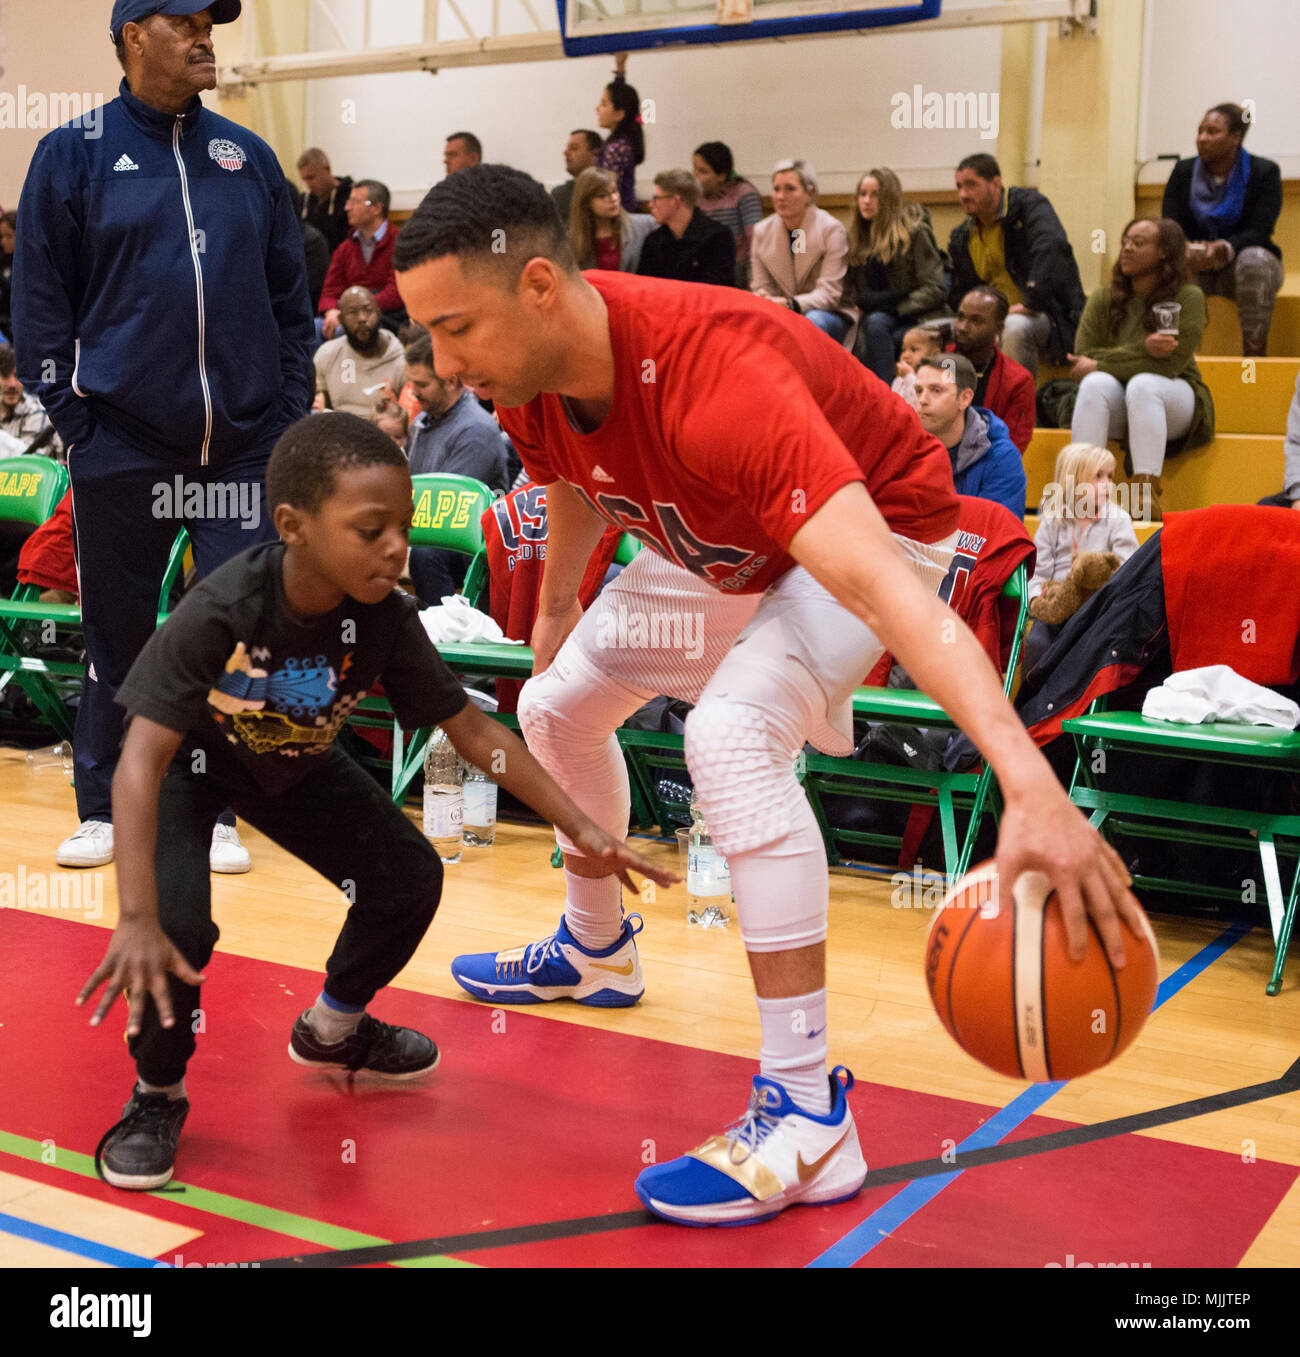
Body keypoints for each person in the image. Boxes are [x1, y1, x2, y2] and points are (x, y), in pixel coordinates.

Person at [392, 164, 1143, 1228]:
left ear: (542, 289)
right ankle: (595, 950)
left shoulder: (717, 378)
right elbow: (569, 473)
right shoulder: (534, 374)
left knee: (733, 739)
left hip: (876, 530)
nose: (444, 364)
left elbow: (884, 589)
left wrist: (1032, 785)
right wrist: (557, 610)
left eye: (456, 329)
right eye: (429, 336)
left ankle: (807, 1113)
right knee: (555, 705)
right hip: (730, 540)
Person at [74, 411, 673, 1192]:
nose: (396, 546)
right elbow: (139, 758)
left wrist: (581, 823)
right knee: (175, 929)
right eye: (370, 529)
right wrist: (135, 914)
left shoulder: (386, 616)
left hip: (293, 762)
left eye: (405, 527)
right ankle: (156, 1095)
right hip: (188, 770)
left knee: (407, 876)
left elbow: (469, 726)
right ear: (294, 526)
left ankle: (332, 1027)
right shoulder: (226, 605)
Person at [13, 0, 314, 875]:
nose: (205, 38)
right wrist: (78, 427)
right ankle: (105, 805)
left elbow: (293, 306)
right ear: (134, 36)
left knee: (231, 629)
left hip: (244, 449)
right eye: (185, 22)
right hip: (123, 446)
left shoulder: (247, 158)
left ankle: (215, 806)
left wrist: (285, 413)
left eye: (211, 24)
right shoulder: (69, 154)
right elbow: (38, 314)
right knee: (116, 632)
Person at [1067, 217, 1213, 522]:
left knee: (1144, 384)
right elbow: (1081, 359)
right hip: (1124, 402)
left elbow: (1170, 364)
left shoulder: (1188, 297)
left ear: (1163, 252)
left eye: (1138, 242)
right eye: (1125, 242)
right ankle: (1083, 493)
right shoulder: (1103, 299)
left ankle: (1144, 496)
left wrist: (1103, 362)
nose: (1127, 249)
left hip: (1176, 400)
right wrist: (1143, 350)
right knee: (1095, 384)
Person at [1161, 103, 1284, 357]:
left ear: (1235, 138)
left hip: (1241, 268)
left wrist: (1222, 248)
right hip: (1195, 267)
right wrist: (1187, 250)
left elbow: (1260, 231)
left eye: (1212, 132)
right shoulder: (1183, 172)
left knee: (1254, 260)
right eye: (1200, 131)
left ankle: (1254, 359)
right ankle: (1175, 360)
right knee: (1161, 261)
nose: (1202, 139)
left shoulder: (1264, 172)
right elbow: (1170, 225)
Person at [948, 153, 1085, 379]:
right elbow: (959, 289)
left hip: (1046, 313)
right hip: (989, 318)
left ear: (996, 183)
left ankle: (1017, 411)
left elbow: (1051, 246)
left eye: (971, 185)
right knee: (928, 333)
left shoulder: (1029, 206)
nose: (963, 194)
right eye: (959, 186)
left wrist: (1031, 301)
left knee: (1014, 327)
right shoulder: (962, 236)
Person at [1023, 441, 1140, 670]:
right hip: (1057, 608)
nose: (1107, 484)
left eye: (1110, 476)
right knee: (1036, 645)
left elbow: (1129, 570)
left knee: (1089, 650)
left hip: (1097, 611)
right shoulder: (1053, 521)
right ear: (1073, 483)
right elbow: (1036, 575)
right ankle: (1030, 702)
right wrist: (1038, 598)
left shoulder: (1118, 519)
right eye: (1098, 477)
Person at [846, 167, 948, 384]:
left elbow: (936, 288)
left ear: (889, 199)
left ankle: (888, 396)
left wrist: (897, 307)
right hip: (883, 317)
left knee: (875, 325)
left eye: (875, 195)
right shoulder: (859, 238)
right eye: (862, 194)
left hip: (919, 313)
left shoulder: (914, 233)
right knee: (868, 327)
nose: (866, 201)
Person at [750, 159, 858, 346]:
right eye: (776, 189)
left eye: (790, 189)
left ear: (810, 193)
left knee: (811, 322)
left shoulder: (831, 229)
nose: (781, 196)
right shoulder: (761, 231)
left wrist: (790, 304)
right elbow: (761, 286)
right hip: (781, 311)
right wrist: (766, 298)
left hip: (828, 313)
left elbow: (829, 294)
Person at [915, 354, 1026, 519]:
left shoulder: (1001, 458)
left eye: (936, 390)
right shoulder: (905, 450)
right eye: (918, 391)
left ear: (964, 398)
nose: (922, 400)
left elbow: (997, 535)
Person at [949, 286, 1034, 453]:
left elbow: (1011, 449)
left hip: (987, 472)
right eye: (960, 317)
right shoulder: (934, 365)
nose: (963, 328)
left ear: (999, 328)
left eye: (976, 320)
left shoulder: (1018, 381)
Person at [318, 179, 403, 340]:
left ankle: (347, 366)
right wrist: (331, 312)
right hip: (348, 314)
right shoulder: (345, 248)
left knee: (341, 332)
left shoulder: (400, 242)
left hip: (388, 316)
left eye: (355, 202)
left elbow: (395, 294)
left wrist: (351, 311)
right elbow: (330, 291)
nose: (347, 207)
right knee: (313, 330)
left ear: (376, 208)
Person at [312, 286, 406, 418]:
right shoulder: (326, 354)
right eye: (353, 312)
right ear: (341, 319)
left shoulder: (401, 360)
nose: (362, 318)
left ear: (379, 313)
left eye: (367, 310)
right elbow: (319, 404)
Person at [637, 169, 735, 288]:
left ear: (675, 201)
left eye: (656, 199)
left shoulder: (718, 237)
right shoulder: (653, 240)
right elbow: (644, 286)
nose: (650, 204)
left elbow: (718, 287)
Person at [692, 142, 763, 290]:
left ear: (721, 176)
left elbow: (755, 239)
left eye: (703, 171)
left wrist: (753, 279)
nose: (695, 176)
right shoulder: (695, 197)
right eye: (694, 169)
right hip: (705, 266)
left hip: (737, 266)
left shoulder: (743, 193)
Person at [568, 167, 654, 273]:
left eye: (614, 191)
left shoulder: (645, 224)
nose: (613, 199)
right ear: (586, 202)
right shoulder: (572, 240)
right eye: (602, 195)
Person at [593, 54, 644, 213]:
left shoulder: (617, 148)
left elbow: (605, 188)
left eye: (603, 104)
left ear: (619, 115)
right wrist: (620, 69)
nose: (597, 109)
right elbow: (621, 96)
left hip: (619, 217)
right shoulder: (621, 141)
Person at [0, 342, 63, 460]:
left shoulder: (38, 413)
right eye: (4, 376)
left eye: (16, 376)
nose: (12, 384)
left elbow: (26, 463)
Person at [295, 148, 352, 254]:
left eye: (311, 178)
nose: (308, 184)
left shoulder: (350, 199)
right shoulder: (302, 201)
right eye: (304, 180)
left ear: (327, 169)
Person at [551, 129, 601, 225]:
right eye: (567, 148)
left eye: (574, 148)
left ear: (595, 154)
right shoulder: (559, 194)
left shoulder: (607, 192)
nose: (565, 152)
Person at [891, 325, 942, 412]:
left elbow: (918, 406)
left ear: (934, 354)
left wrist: (909, 377)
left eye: (914, 350)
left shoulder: (934, 379)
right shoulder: (900, 378)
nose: (905, 355)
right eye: (903, 350)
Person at [0, 209, 15, 341]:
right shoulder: (2, 260)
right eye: (1, 237)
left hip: (16, 327)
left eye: (9, 236)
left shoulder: (31, 262)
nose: (4, 241)